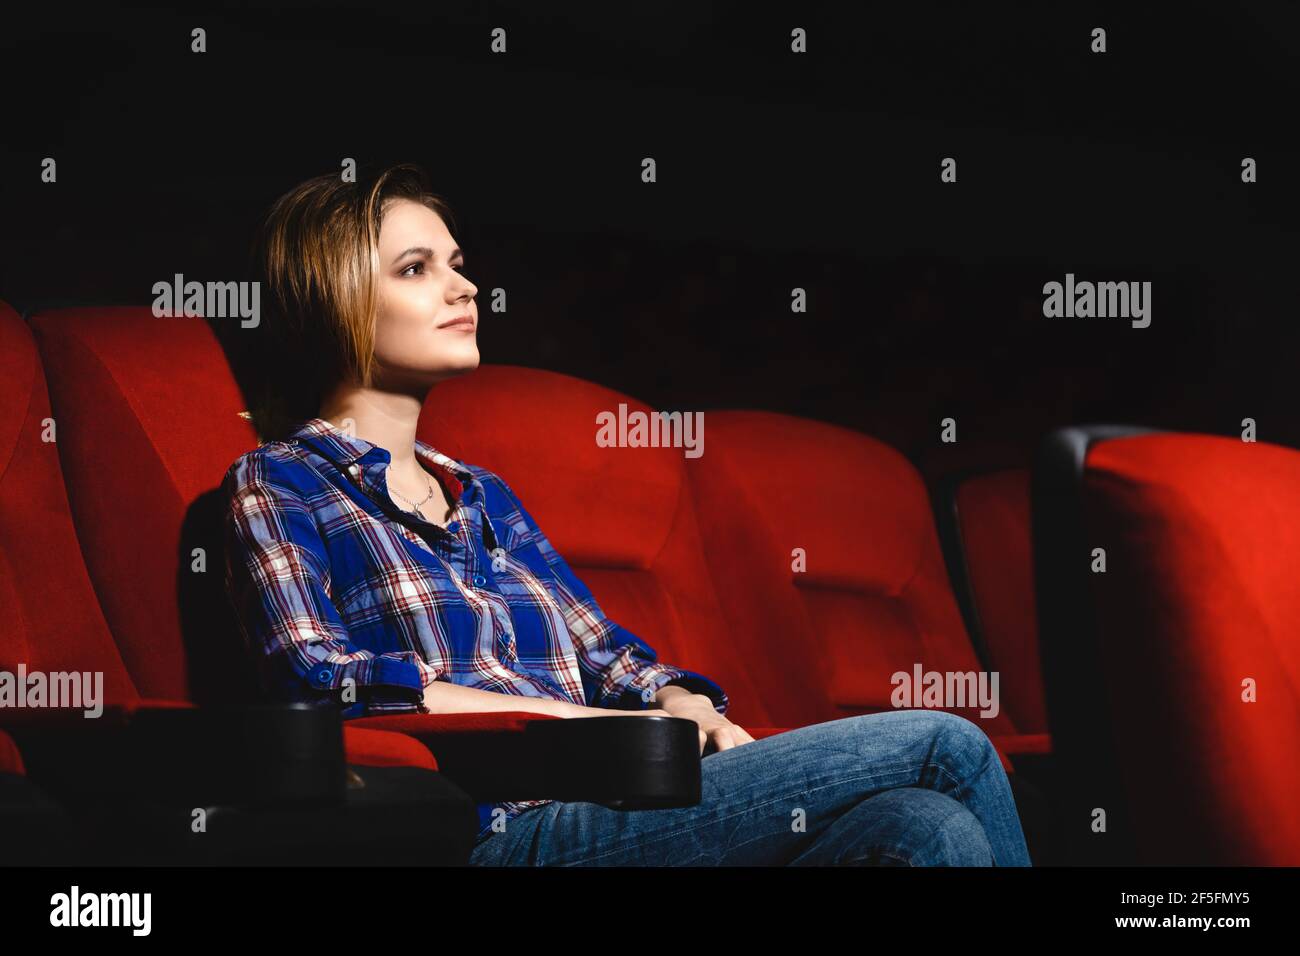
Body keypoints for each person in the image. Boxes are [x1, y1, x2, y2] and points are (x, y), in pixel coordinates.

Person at [222, 163, 1032, 866]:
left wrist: (682, 703)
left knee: (927, 827)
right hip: (485, 834)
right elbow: (317, 680)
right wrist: (565, 722)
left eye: (457, 263)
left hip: (614, 807)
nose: (464, 286)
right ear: (330, 301)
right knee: (947, 746)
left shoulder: (484, 495)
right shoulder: (281, 482)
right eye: (415, 268)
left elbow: (607, 655)